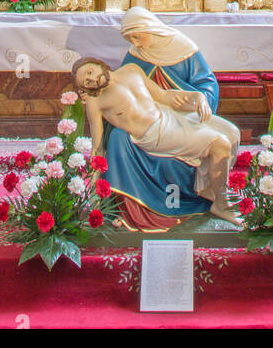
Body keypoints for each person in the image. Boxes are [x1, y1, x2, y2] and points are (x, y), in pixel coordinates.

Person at [74, 25, 239, 227]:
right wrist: (91, 192)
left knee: (231, 133)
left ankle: (209, 190)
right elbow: (97, 148)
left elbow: (163, 96)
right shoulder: (95, 101)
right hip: (154, 135)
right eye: (86, 81)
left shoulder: (131, 70)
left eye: (90, 72)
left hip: (169, 117)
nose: (91, 79)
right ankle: (221, 204)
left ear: (99, 65)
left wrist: (197, 96)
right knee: (219, 145)